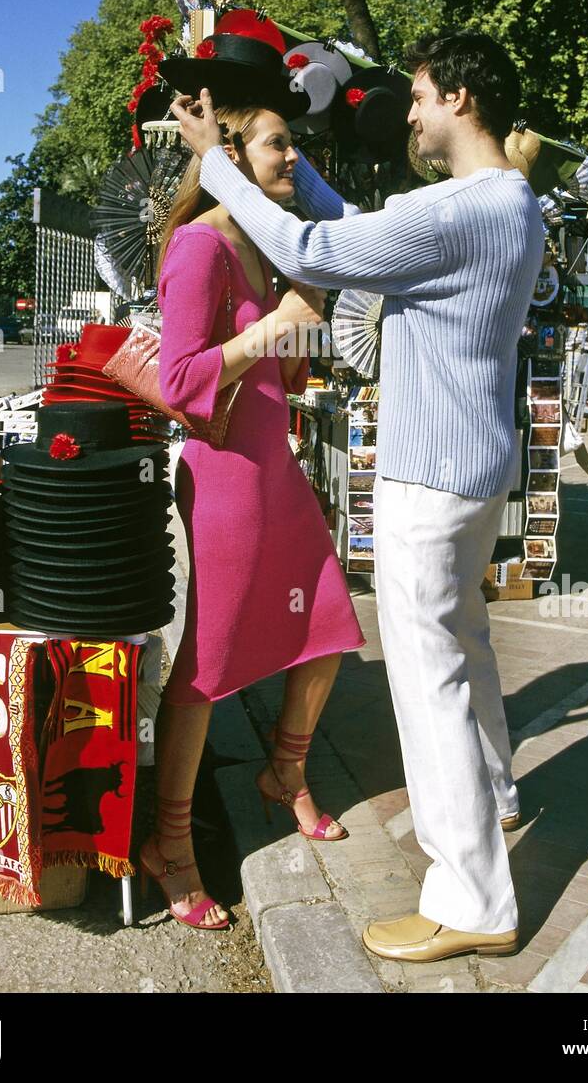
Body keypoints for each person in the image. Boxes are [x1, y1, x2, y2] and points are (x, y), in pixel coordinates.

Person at [178, 31, 545, 963]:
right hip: (475, 465)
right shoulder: (504, 199)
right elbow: (366, 229)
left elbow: (316, 248)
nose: (409, 112)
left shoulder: (460, 208)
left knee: (430, 687)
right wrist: (280, 182)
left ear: (458, 97)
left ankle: (470, 899)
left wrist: (215, 167)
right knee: (465, 640)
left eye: (420, 95)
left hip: (429, 473)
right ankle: (497, 799)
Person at [138, 95, 366, 931]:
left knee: (331, 628)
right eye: (278, 145)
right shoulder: (201, 246)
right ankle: (169, 842)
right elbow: (181, 381)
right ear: (227, 156)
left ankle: (286, 773)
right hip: (227, 477)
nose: (290, 158)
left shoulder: (260, 249)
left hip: (276, 471)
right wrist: (275, 326)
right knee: (209, 661)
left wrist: (294, 323)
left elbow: (279, 363)